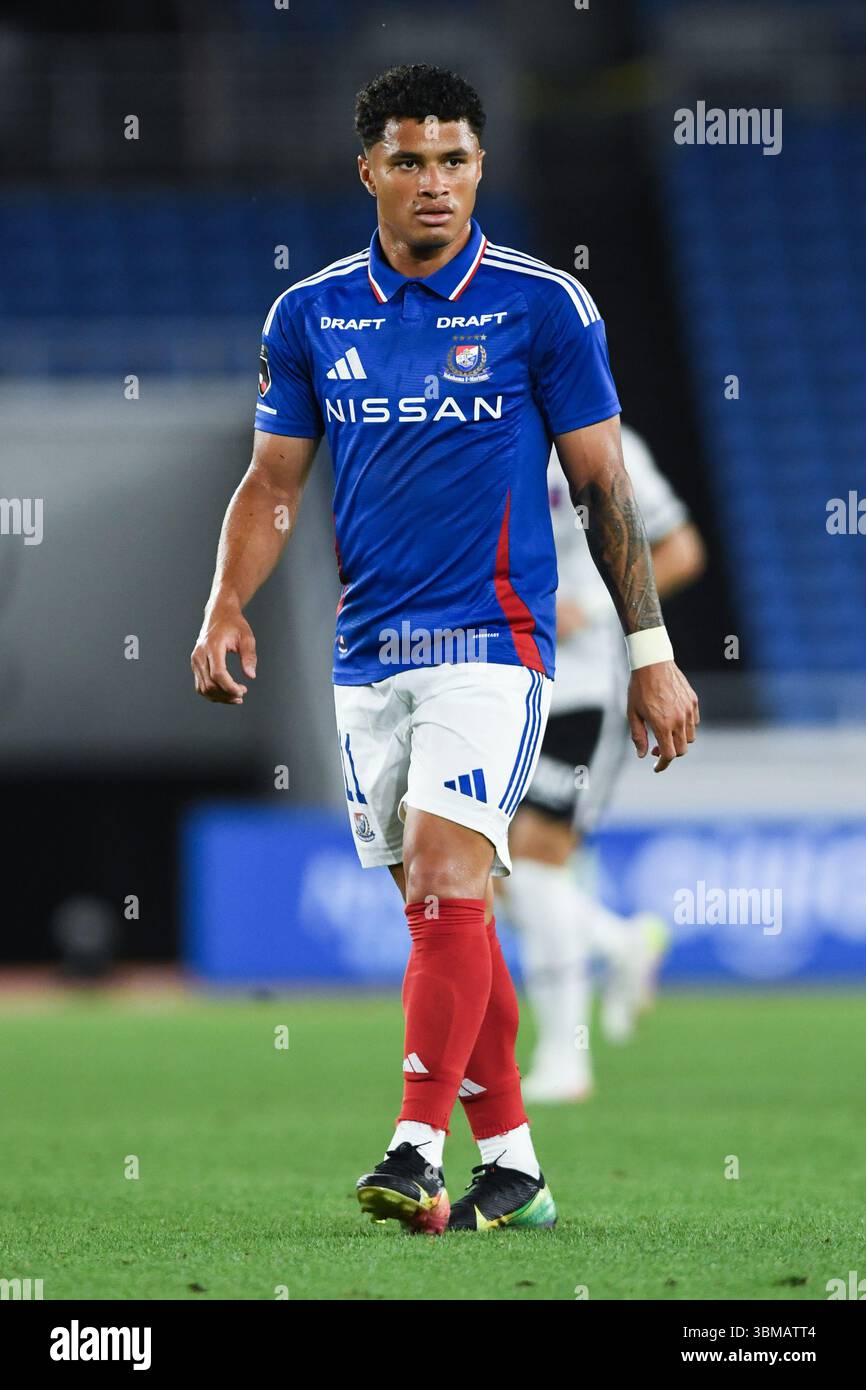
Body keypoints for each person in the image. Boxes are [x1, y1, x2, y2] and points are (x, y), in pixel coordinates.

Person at [190, 63, 699, 1235]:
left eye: (455, 160)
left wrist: (651, 651)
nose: (435, 183)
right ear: (367, 167)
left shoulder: (541, 306)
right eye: (410, 161)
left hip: (496, 644)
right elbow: (272, 486)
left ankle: (415, 1147)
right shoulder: (309, 313)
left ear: (481, 168)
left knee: (446, 874)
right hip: (369, 653)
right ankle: (512, 1161)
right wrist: (226, 606)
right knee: (442, 916)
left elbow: (602, 488)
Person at [507, 425, 706, 1102]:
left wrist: (589, 610)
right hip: (499, 685)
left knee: (533, 860)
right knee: (496, 871)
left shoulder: (609, 447)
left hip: (582, 685)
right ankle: (621, 943)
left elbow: (681, 549)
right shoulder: (484, 433)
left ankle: (566, 1060)